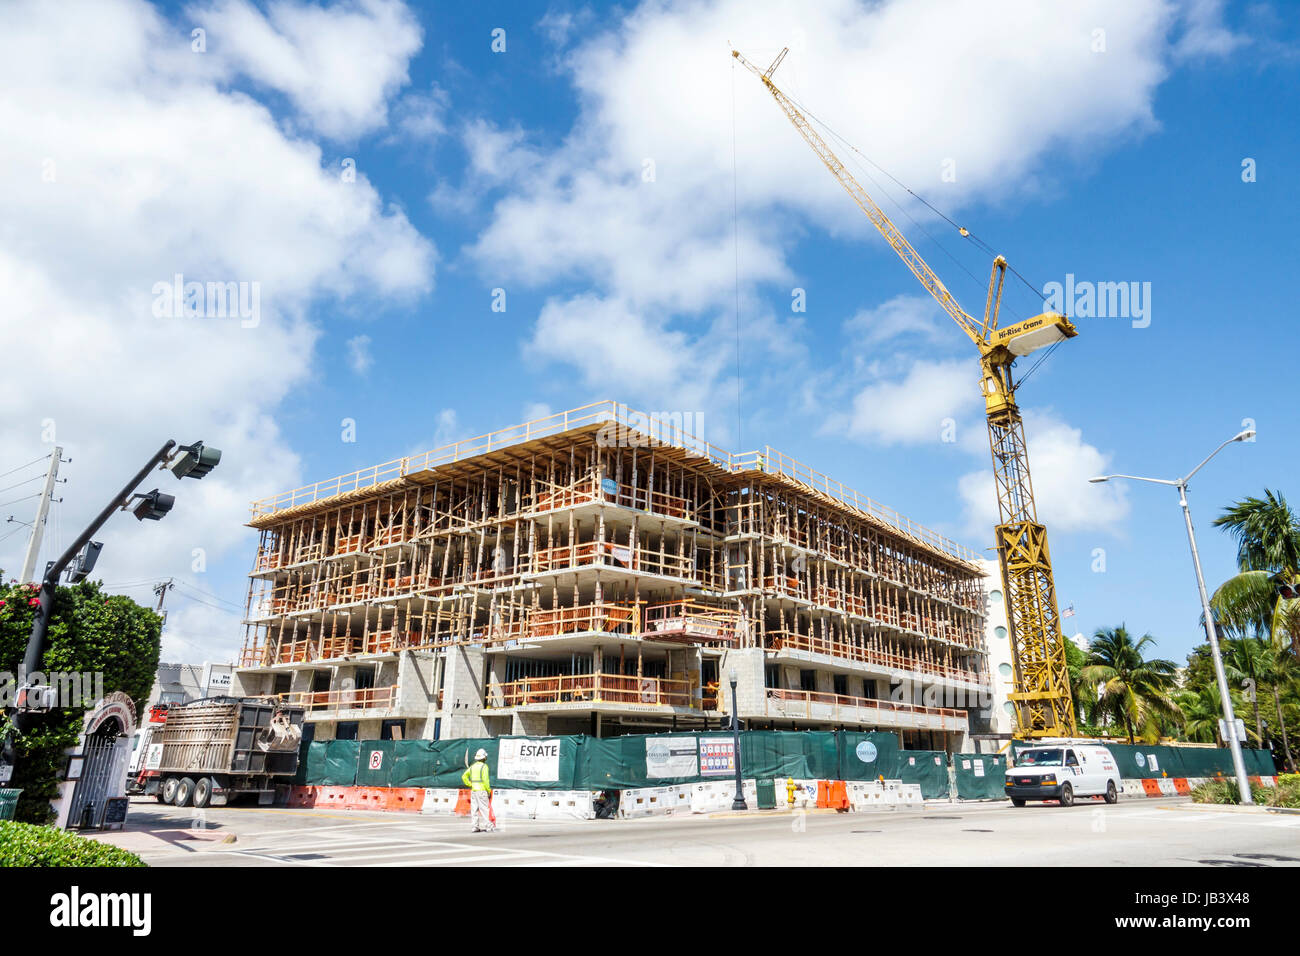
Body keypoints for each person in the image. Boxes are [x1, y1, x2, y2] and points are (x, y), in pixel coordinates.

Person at [462, 748, 495, 832]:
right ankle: (489, 826)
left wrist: (470, 784)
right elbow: (486, 780)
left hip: (474, 790)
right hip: (482, 790)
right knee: (484, 809)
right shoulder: (484, 767)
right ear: (484, 758)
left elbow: (464, 776)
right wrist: (488, 790)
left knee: (474, 810)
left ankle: (475, 827)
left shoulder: (473, 767)